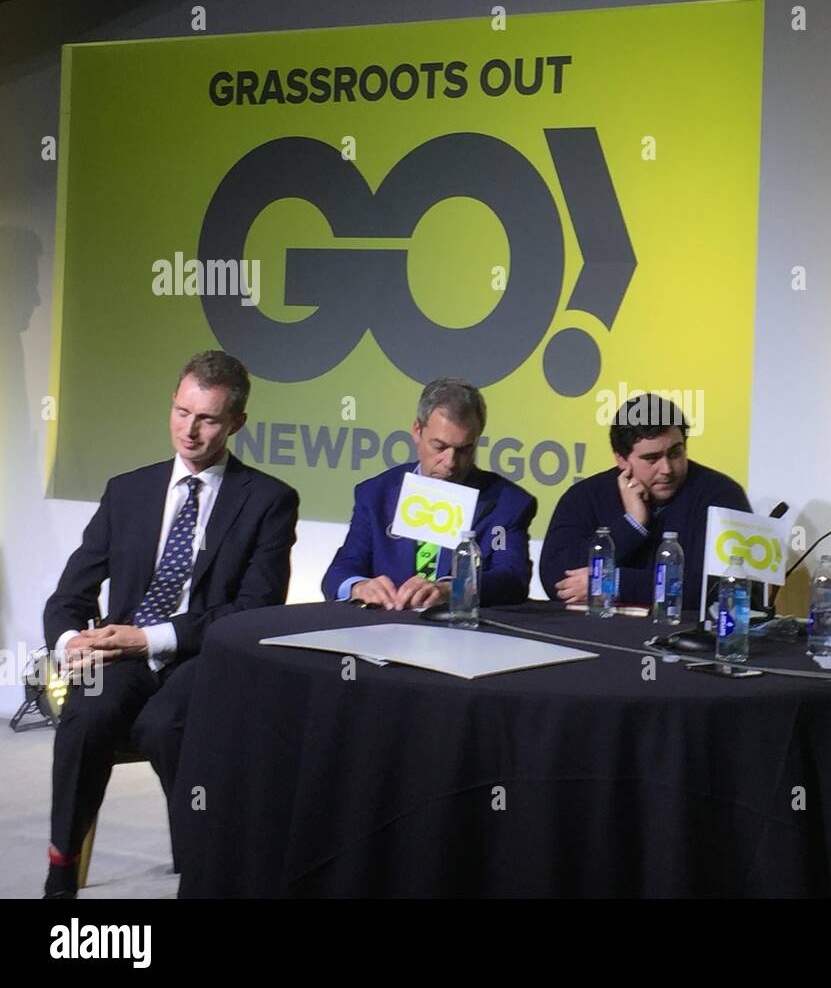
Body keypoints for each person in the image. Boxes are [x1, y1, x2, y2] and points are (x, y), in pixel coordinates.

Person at [42, 350, 299, 898]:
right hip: (119, 653)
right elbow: (69, 596)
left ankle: (201, 869)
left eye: (207, 419)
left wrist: (149, 638)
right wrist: (72, 645)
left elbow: (255, 610)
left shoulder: (269, 501)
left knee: (165, 726)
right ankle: (60, 874)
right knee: (86, 716)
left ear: (236, 424)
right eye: (182, 412)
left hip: (201, 656)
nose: (191, 430)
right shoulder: (127, 491)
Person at [322, 377, 536, 609]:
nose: (450, 462)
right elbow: (341, 570)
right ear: (417, 430)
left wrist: (453, 589)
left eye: (465, 449)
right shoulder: (376, 494)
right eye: (440, 447)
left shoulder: (508, 504)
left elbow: (513, 579)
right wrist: (358, 586)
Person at [540, 393, 750, 607]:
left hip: (679, 635)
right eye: (652, 458)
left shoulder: (722, 494)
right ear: (621, 459)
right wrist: (632, 524)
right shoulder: (585, 496)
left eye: (675, 454)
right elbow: (556, 580)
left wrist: (617, 583)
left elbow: (723, 589)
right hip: (596, 633)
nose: (667, 469)